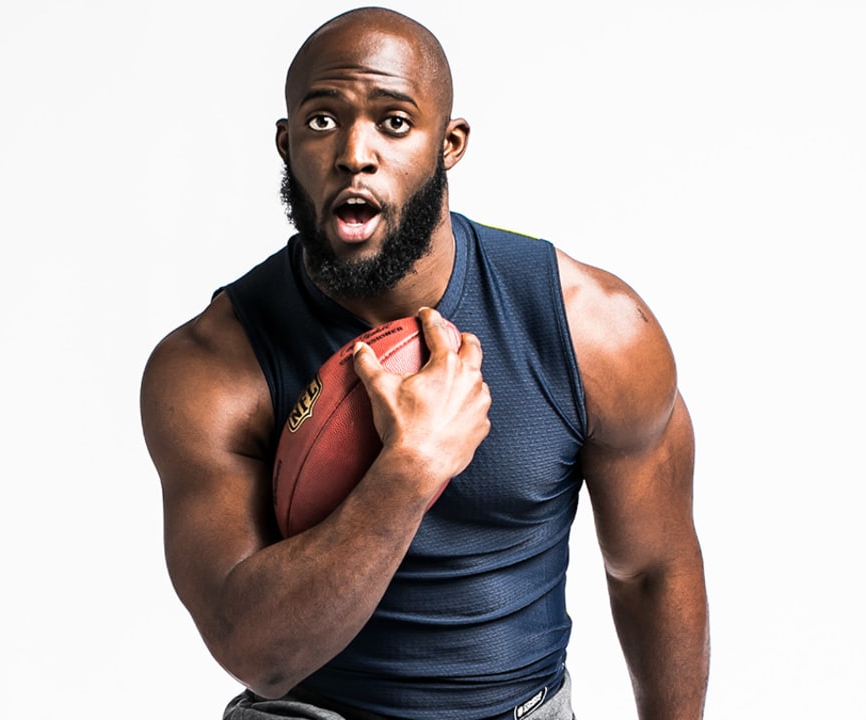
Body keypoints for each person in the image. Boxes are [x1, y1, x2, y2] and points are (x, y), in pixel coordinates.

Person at [140, 7, 708, 719]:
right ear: (286, 146)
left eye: (395, 122)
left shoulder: (593, 328)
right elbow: (258, 653)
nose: (354, 152)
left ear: (450, 144)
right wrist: (409, 470)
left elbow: (652, 570)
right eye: (322, 122)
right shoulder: (213, 367)